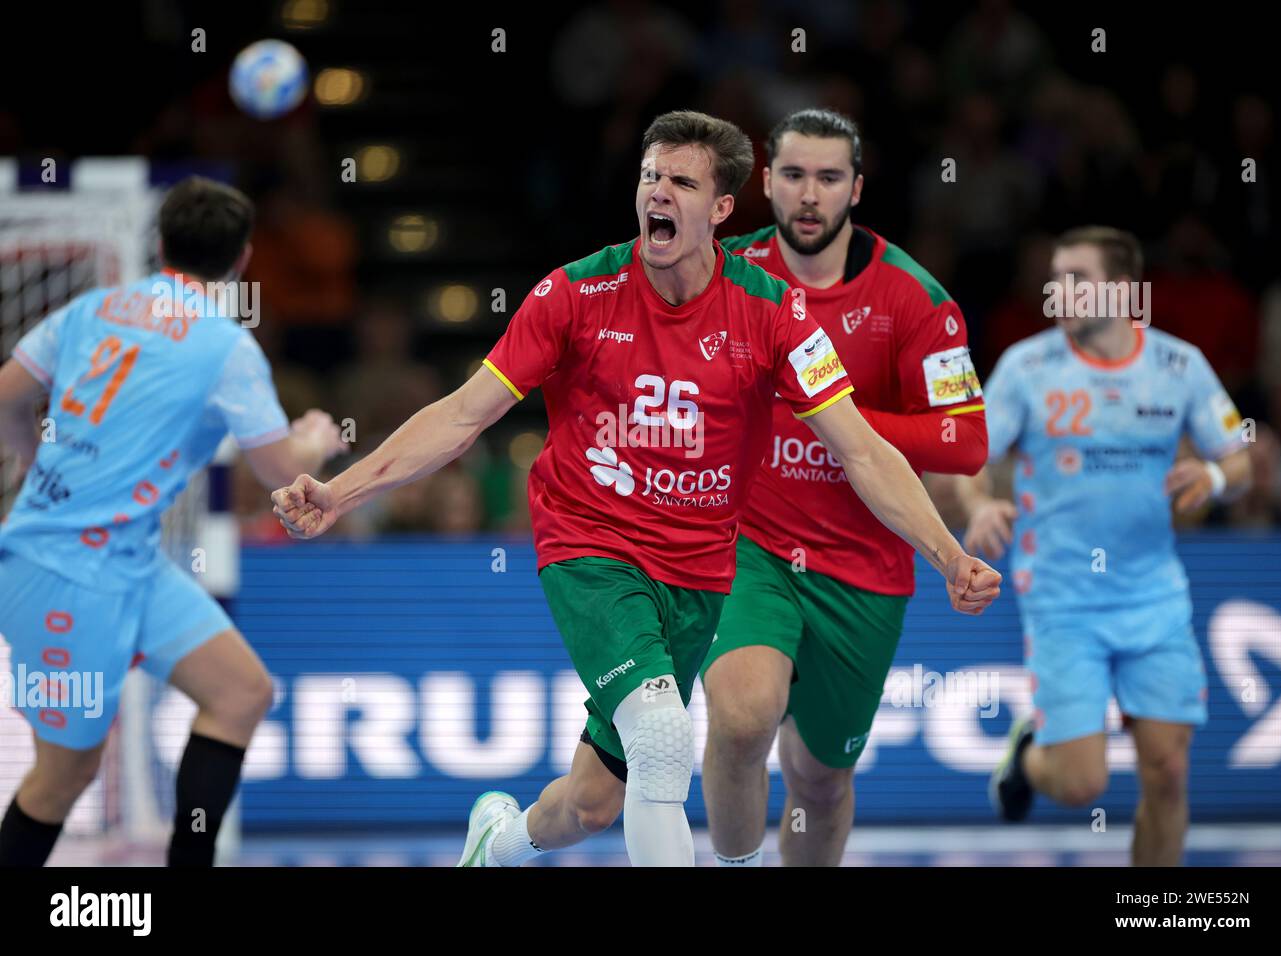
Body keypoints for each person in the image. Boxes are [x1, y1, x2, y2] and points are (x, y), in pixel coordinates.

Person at [272, 111, 1001, 867]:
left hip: (697, 571)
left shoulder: (775, 315)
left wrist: (948, 557)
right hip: (591, 548)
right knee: (662, 737)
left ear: (721, 210)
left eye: (682, 181)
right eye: (651, 176)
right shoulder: (575, 293)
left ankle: (498, 843)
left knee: (594, 801)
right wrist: (341, 492)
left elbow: (864, 453)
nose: (659, 192)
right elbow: (463, 416)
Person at [0, 177, 346, 866]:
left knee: (242, 693)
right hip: (62, 574)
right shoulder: (227, 348)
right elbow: (283, 473)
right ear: (243, 260)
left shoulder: (89, 308)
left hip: (129, 561)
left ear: (159, 245)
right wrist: (316, 437)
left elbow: (7, 397)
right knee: (64, 777)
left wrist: (30, 454)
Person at [703, 109, 988, 867]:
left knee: (820, 780)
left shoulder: (916, 300)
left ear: (856, 188)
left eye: (828, 178)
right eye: (792, 175)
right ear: (766, 181)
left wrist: (842, 419)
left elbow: (967, 441)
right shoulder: (725, 272)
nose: (808, 195)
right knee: (740, 717)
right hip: (747, 545)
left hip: (864, 564)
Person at [939, 225, 1251, 866]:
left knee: (1167, 772)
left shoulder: (1179, 365)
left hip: (1154, 597)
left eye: (1076, 279)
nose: (1058, 291)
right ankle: (1029, 756)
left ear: (1124, 291)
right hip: (1063, 599)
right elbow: (966, 458)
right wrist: (982, 503)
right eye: (1055, 278)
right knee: (1085, 784)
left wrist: (1215, 476)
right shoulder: (1028, 368)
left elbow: (1240, 454)